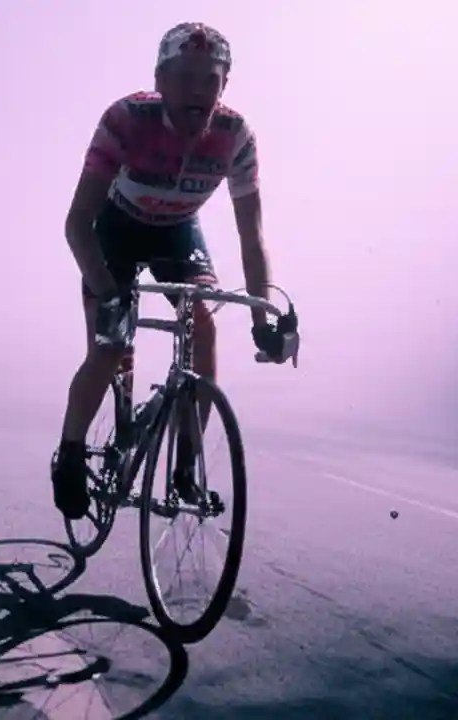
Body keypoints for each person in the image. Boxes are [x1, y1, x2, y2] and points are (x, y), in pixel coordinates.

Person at [50, 22, 290, 520]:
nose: (198, 92)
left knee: (204, 321)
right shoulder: (125, 120)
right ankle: (71, 452)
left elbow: (253, 237)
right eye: (185, 78)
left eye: (211, 80)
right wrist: (106, 292)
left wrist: (264, 320)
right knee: (110, 346)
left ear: (225, 86)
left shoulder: (236, 137)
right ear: (159, 80)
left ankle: (186, 465)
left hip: (177, 232)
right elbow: (77, 223)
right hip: (114, 231)